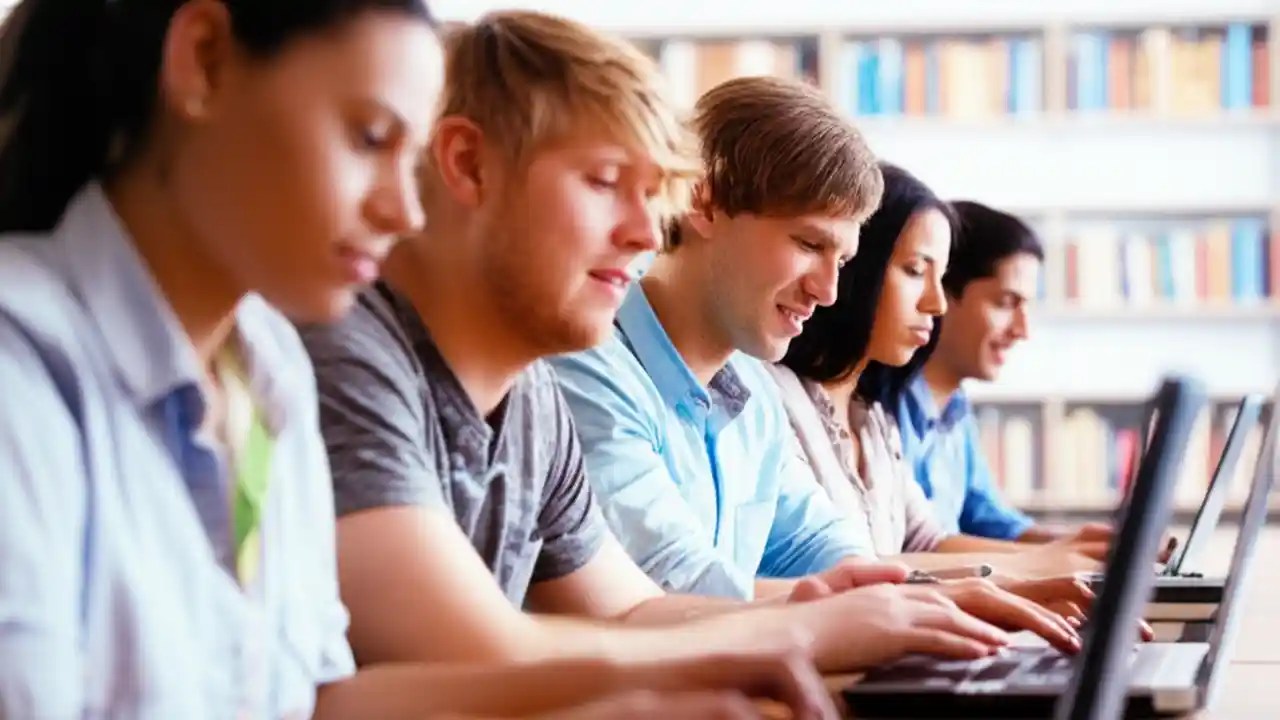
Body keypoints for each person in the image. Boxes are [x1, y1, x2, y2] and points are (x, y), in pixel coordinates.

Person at [0, 2, 838, 718]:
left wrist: (659, 684)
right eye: (369, 137)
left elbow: (314, 701)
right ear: (205, 63)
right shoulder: (23, 375)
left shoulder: (264, 376)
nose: (404, 207)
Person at [299, 9, 1060, 686]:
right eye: (604, 182)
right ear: (467, 165)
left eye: (652, 194)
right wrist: (801, 628)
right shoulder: (346, 355)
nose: (642, 233)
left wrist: (831, 612)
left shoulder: (530, 398)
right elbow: (467, 651)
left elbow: (630, 612)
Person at [549, 76, 1081, 650]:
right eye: (808, 244)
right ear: (705, 200)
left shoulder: (750, 389)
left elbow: (831, 549)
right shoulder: (587, 367)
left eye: (844, 258)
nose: (829, 291)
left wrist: (928, 597)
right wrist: (896, 604)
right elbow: (669, 587)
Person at [769, 164, 1100, 596]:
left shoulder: (872, 420)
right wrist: (1040, 565)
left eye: (938, 277)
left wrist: (1058, 561)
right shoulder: (775, 401)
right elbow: (856, 570)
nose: (936, 303)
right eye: (913, 271)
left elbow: (930, 541)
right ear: (857, 266)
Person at [894, 200, 1113, 550]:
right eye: (1006, 303)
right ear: (944, 291)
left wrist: (1092, 544)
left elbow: (994, 522)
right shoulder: (882, 407)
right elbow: (917, 547)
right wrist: (1062, 555)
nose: (1023, 330)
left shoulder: (955, 408)